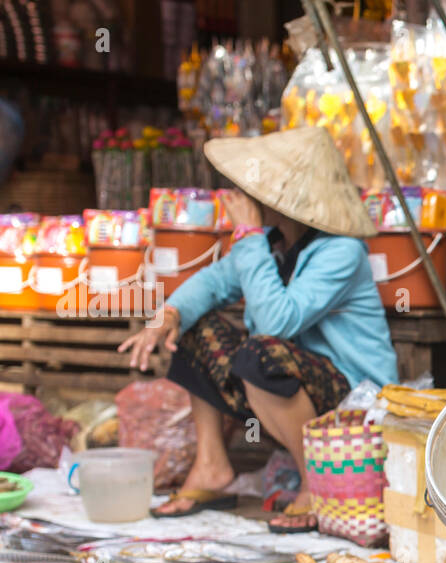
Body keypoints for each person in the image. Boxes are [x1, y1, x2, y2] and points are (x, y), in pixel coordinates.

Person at [119, 126, 398, 532]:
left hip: (353, 397)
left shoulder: (341, 251)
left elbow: (276, 323)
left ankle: (315, 483)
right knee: (198, 329)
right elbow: (215, 282)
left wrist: (247, 234)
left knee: (260, 352)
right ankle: (211, 466)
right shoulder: (273, 243)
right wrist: (169, 317)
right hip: (290, 387)